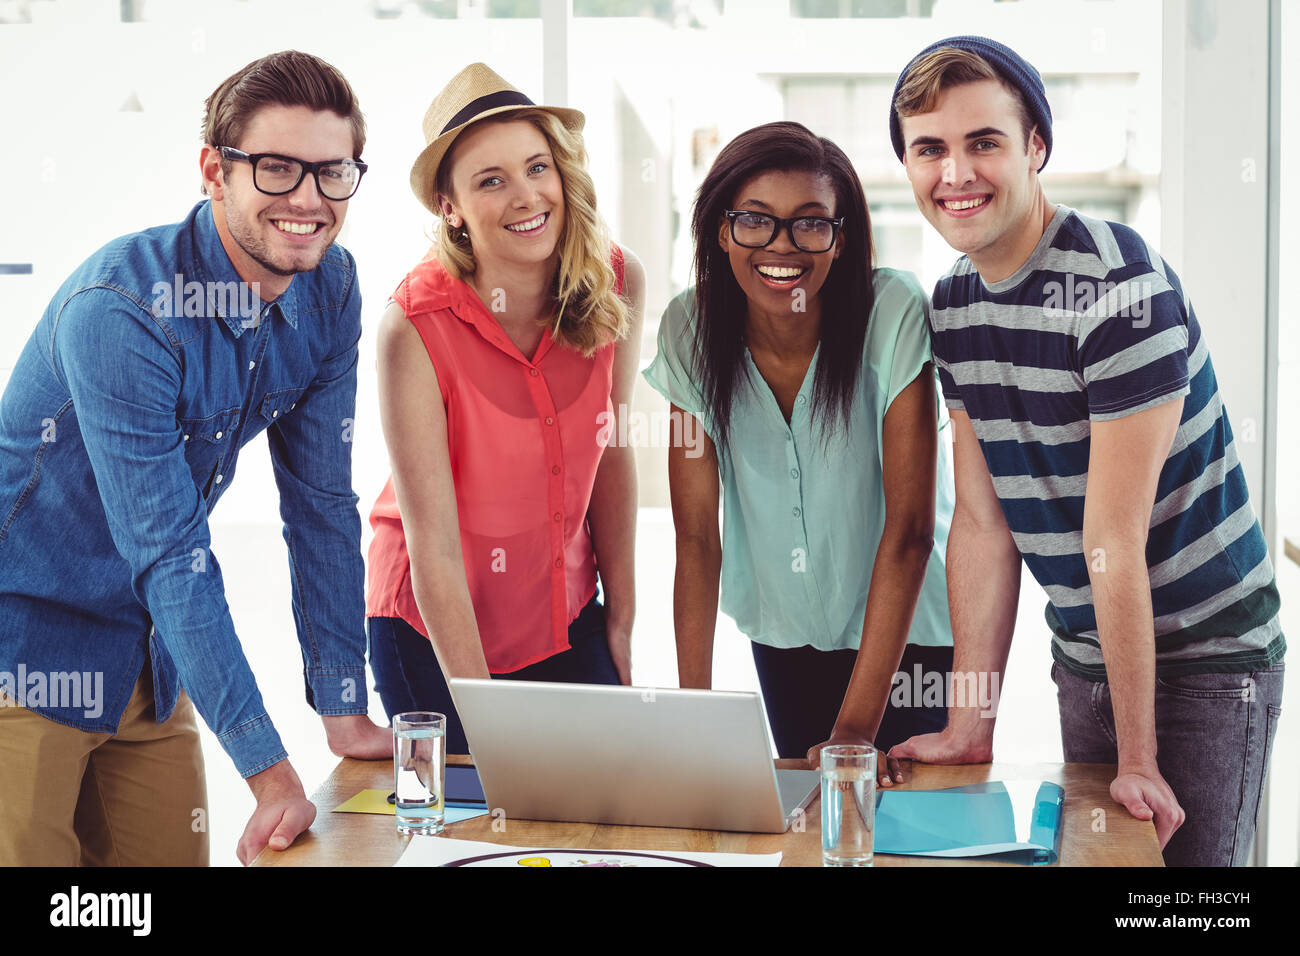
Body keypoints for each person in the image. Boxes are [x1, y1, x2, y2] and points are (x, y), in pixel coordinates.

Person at [886, 35, 1285, 866]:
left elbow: (1112, 539)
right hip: (1086, 653)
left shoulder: (1118, 289)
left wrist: (1138, 756)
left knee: (1186, 903)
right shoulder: (955, 306)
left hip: (1209, 658)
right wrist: (969, 722)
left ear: (1036, 146)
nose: (955, 174)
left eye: (983, 142)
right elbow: (984, 531)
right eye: (930, 149)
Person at [0, 50, 392, 867]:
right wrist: (269, 771)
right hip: (24, 655)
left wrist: (342, 704)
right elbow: (173, 554)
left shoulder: (332, 289)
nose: (309, 202)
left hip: (149, 656)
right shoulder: (121, 313)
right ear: (215, 170)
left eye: (333, 173)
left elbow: (321, 503)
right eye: (278, 169)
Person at [642, 122, 955, 784]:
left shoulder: (891, 311)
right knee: (812, 831)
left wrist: (852, 733)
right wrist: (691, 713)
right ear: (720, 229)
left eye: (811, 224)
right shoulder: (687, 330)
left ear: (841, 240)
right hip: (785, 632)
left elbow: (910, 531)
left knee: (903, 836)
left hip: (912, 638)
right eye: (755, 220)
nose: (782, 246)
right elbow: (696, 536)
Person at [366, 63, 645, 754]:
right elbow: (432, 543)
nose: (526, 197)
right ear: (449, 206)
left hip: (566, 607)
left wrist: (622, 616)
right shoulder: (415, 328)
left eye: (537, 167)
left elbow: (612, 451)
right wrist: (483, 715)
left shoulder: (616, 279)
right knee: (471, 822)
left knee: (603, 805)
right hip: (432, 626)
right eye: (490, 180)